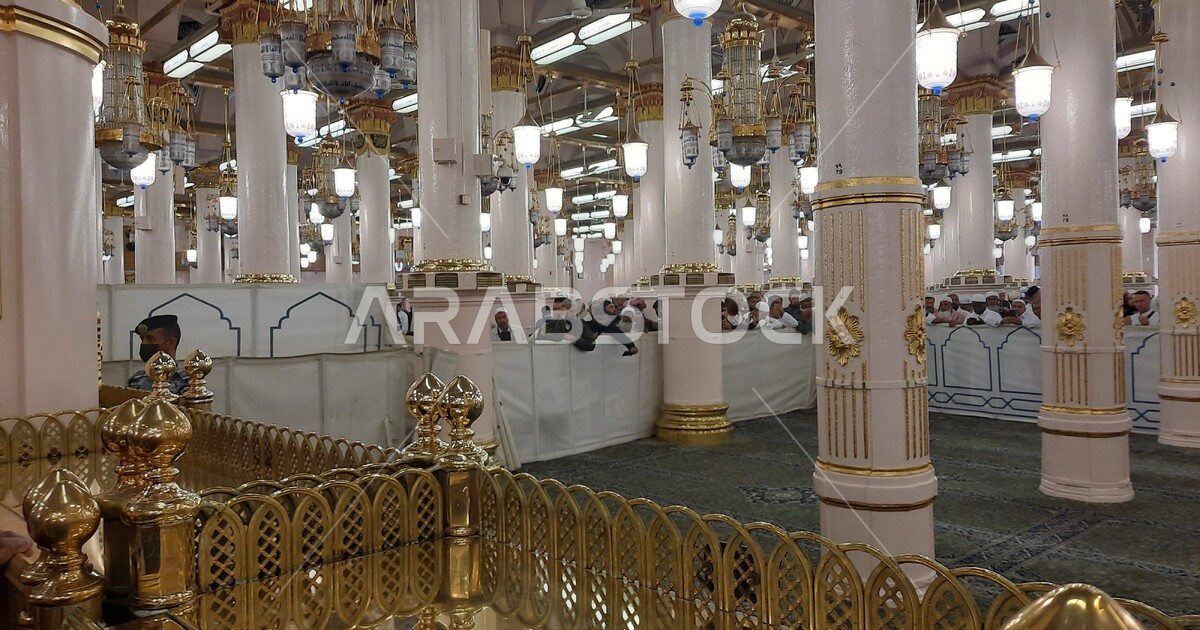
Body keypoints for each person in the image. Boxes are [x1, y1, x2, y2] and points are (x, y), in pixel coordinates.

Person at [127, 314, 189, 394]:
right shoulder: (137, 380)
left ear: (171, 342)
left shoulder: (187, 382)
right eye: (142, 339)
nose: (144, 343)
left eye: (151, 339)